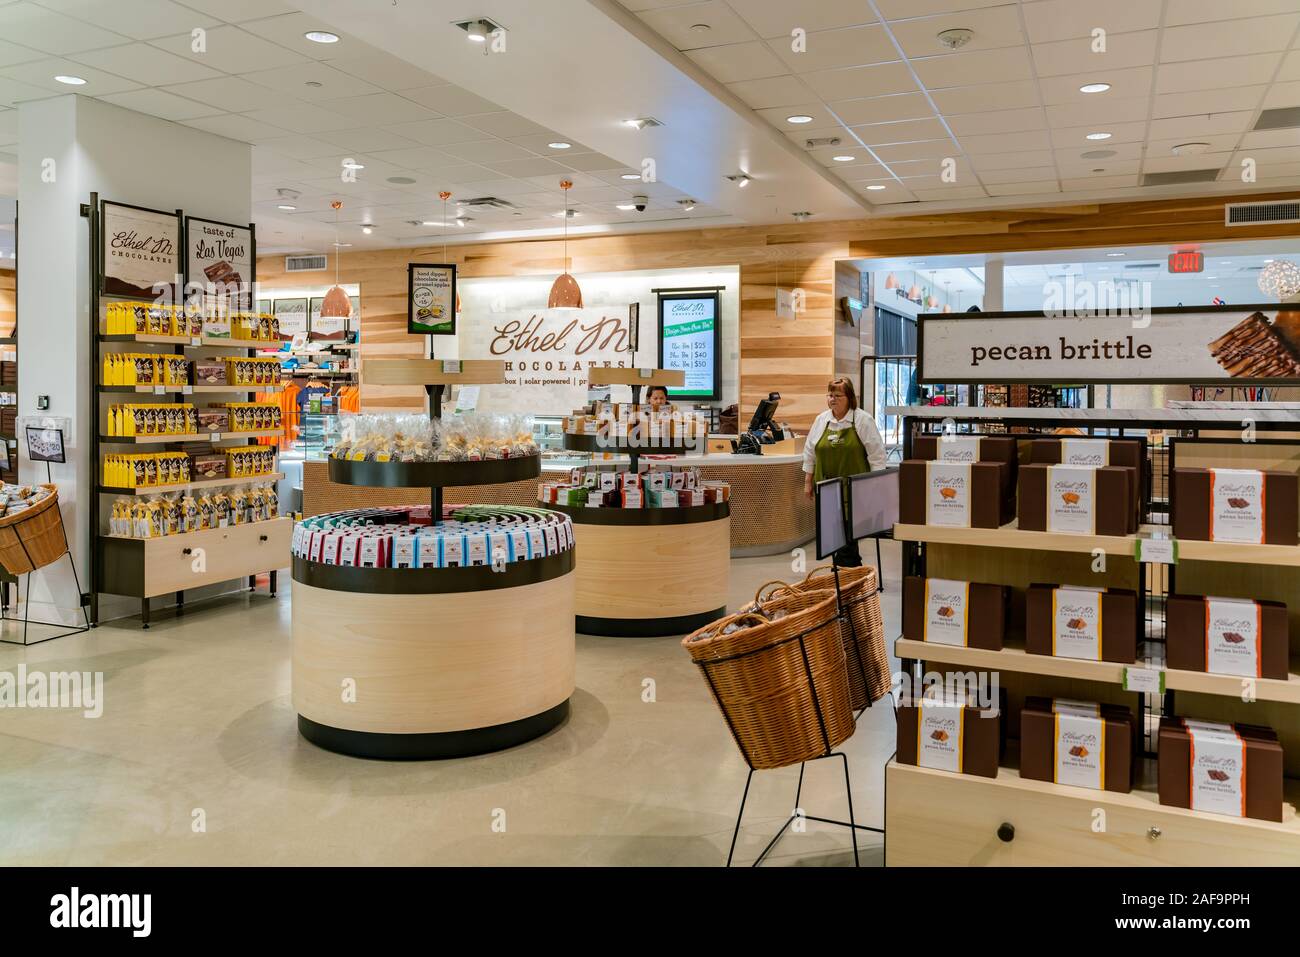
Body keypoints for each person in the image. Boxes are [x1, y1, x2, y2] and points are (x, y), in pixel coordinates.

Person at [803, 377, 888, 567]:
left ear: (849, 397)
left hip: (855, 490)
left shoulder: (862, 420)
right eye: (830, 395)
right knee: (832, 536)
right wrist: (808, 482)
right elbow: (810, 452)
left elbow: (877, 456)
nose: (833, 399)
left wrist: (875, 487)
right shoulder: (821, 420)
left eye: (838, 395)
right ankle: (845, 575)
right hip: (826, 488)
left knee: (848, 537)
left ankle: (848, 575)